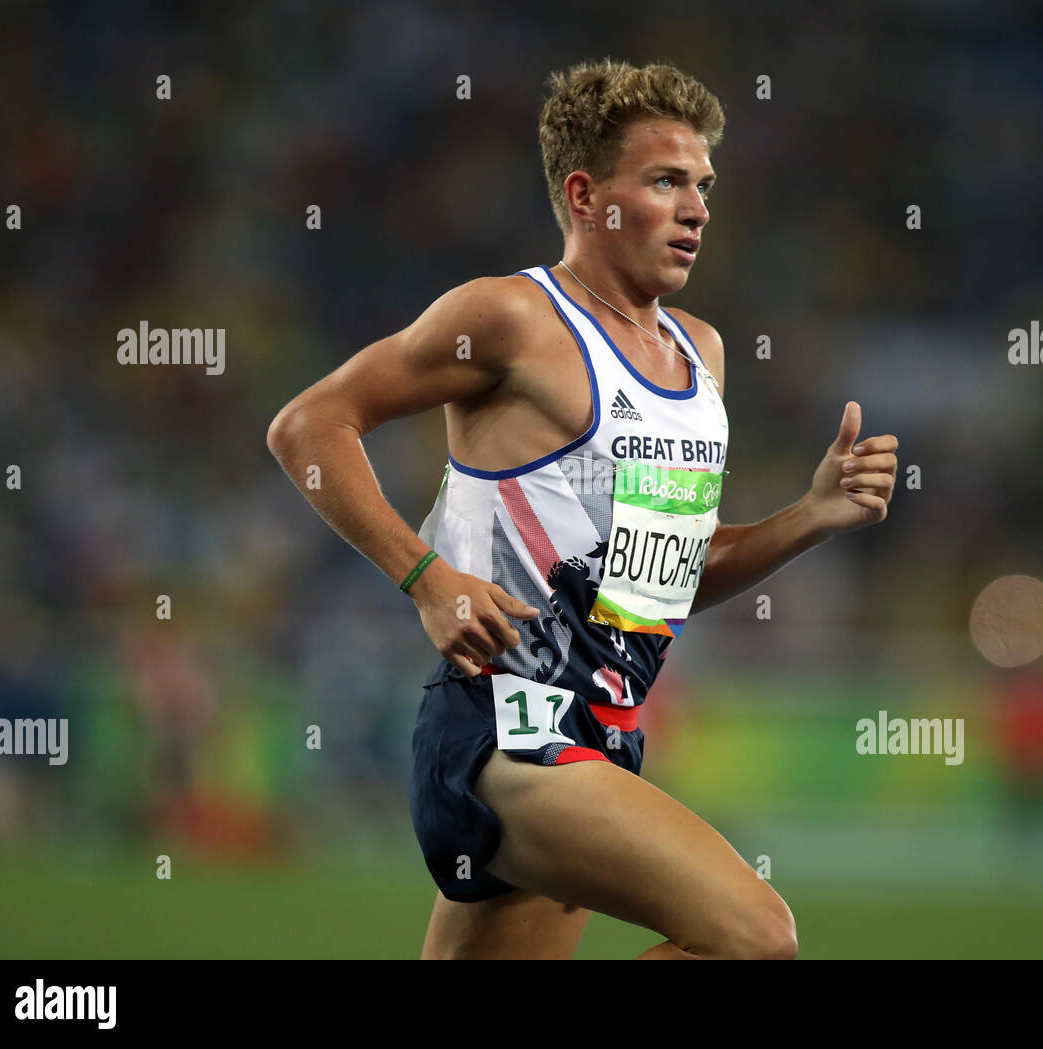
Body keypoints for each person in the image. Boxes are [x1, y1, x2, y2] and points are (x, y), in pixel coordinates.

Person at [267, 58, 898, 959]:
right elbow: (309, 426)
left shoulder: (702, 355)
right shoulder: (512, 317)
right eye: (666, 181)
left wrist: (808, 515)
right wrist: (427, 578)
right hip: (506, 731)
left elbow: (655, 585)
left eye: (704, 185)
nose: (697, 209)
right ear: (585, 195)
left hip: (603, 742)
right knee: (756, 939)